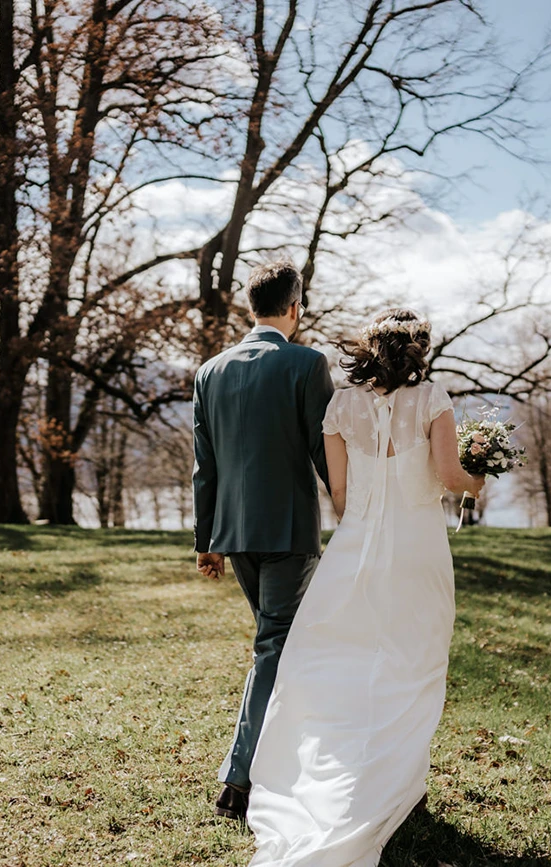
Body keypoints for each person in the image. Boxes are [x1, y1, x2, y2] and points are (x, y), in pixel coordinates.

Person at [244, 307, 485, 866]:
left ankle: (352, 770)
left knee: (341, 659)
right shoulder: (434, 399)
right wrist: (479, 477)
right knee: (413, 660)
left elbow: (341, 495)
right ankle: (402, 780)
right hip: (418, 547)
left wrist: (364, 523)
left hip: (354, 549)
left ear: (369, 350)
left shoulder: (340, 406)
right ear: (418, 350)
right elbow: (452, 479)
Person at [192, 260, 336, 822]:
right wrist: (358, 512)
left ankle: (299, 754)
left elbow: (204, 467)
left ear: (251, 307)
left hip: (234, 533)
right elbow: (325, 453)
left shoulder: (210, 371)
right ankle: (239, 778)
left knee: (281, 644)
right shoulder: (307, 364)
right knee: (275, 646)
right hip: (288, 531)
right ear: (295, 307)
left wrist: (206, 540)